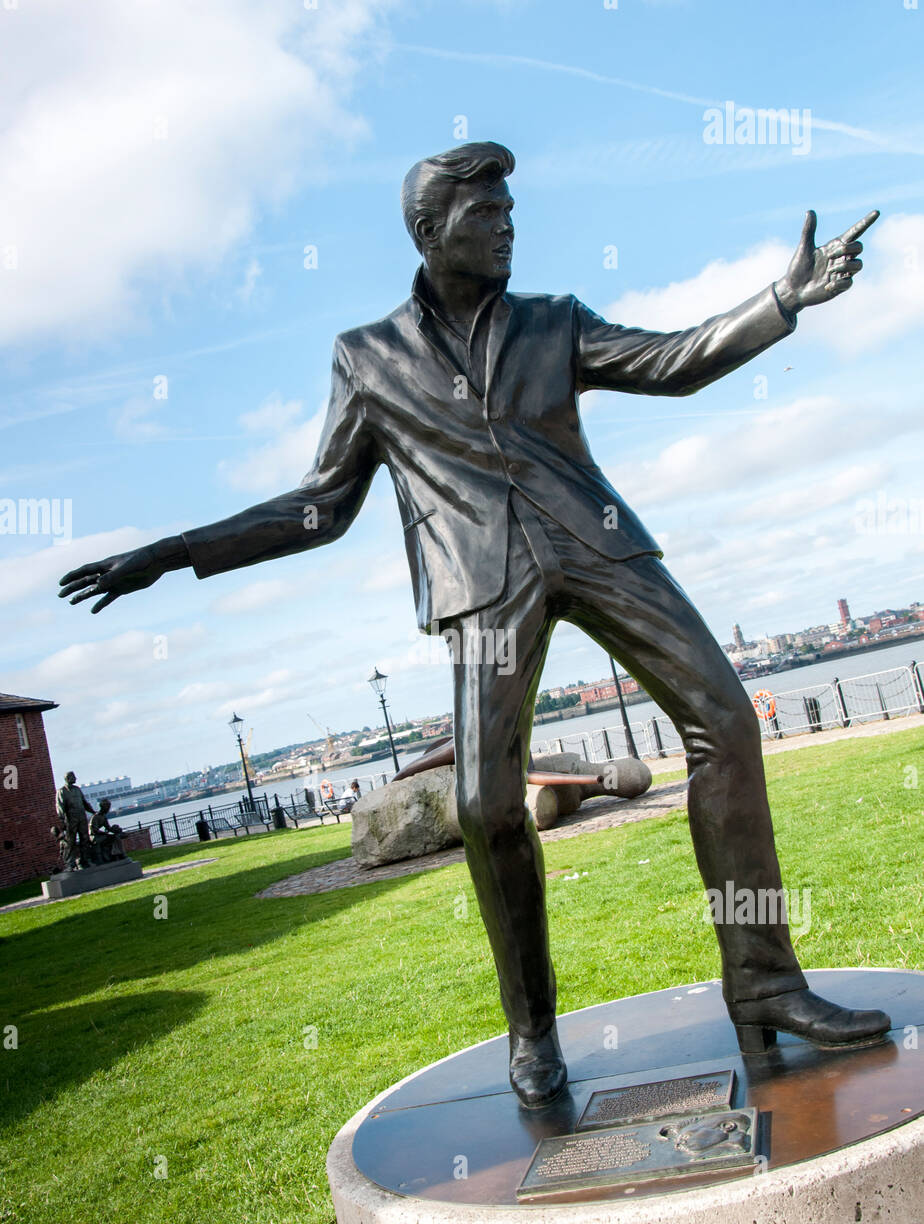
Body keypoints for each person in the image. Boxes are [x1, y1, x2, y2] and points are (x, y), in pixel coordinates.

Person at [59, 142, 889, 1106]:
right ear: (430, 232)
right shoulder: (367, 359)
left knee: (730, 724)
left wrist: (781, 300)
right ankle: (531, 1032)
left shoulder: (552, 322)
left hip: (602, 548)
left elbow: (670, 362)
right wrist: (174, 550)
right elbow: (318, 507)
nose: (507, 225)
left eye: (509, 210)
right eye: (487, 213)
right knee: (486, 805)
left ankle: (767, 982)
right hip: (483, 590)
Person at [55, 771, 94, 872]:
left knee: (85, 838)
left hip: (82, 817)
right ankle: (70, 864)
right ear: (68, 778)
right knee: (70, 842)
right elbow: (60, 807)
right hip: (71, 819)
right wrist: (62, 820)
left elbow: (84, 802)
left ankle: (85, 860)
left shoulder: (77, 789)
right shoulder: (62, 791)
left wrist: (93, 812)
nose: (75, 778)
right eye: (73, 777)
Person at [88, 798, 126, 862]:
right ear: (103, 807)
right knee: (113, 838)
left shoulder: (103, 817)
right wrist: (105, 834)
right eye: (107, 807)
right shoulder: (96, 816)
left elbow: (108, 828)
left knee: (116, 836)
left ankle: (118, 854)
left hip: (100, 836)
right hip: (94, 837)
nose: (108, 809)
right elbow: (94, 830)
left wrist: (116, 829)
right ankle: (117, 855)